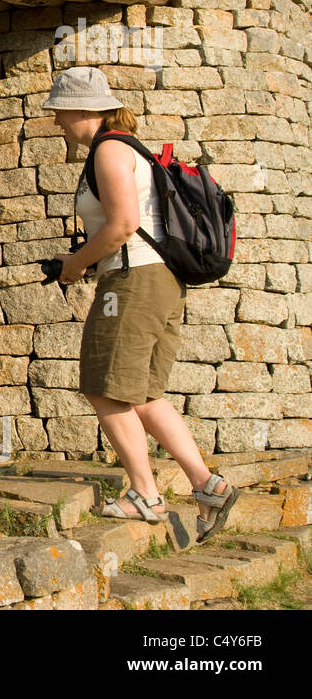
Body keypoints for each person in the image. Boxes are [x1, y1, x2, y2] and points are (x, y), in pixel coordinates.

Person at [41, 66, 239, 541]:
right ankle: (207, 485)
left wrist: (76, 264)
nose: (56, 123)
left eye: (60, 113)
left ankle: (144, 494)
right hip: (161, 281)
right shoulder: (128, 146)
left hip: (133, 279)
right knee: (145, 395)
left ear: (83, 108)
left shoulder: (110, 149)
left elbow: (123, 224)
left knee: (103, 387)